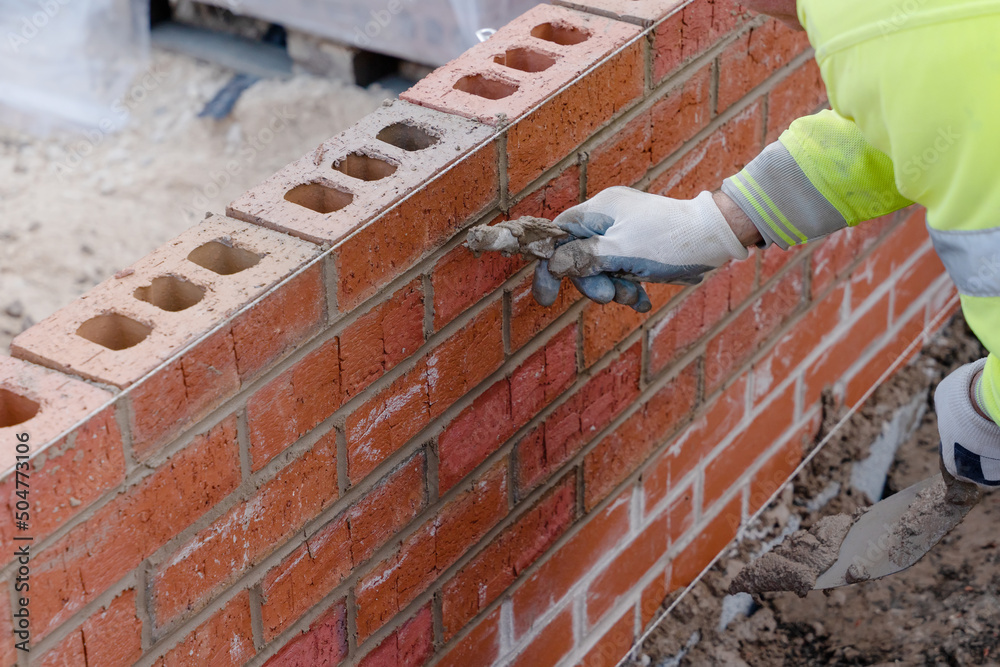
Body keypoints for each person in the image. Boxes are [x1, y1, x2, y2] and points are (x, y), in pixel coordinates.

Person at [532, 0, 1000, 487]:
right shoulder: (911, 26)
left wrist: (986, 410)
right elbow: (934, 120)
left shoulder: (872, 32)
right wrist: (720, 221)